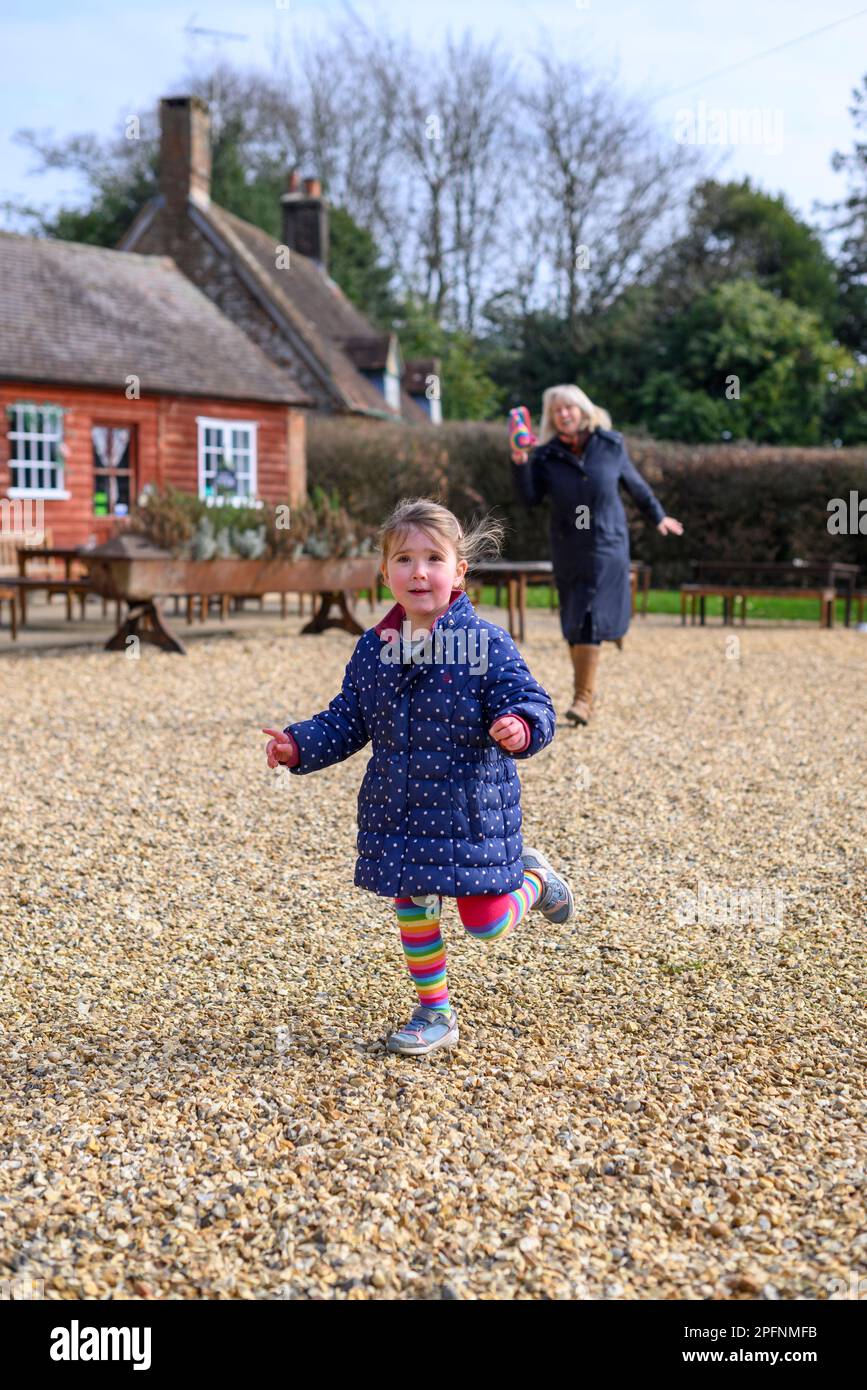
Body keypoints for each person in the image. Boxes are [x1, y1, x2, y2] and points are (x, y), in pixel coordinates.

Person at [262, 497, 575, 1057]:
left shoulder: (485, 644)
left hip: (470, 810)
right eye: (404, 559)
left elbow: (532, 701)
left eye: (434, 558)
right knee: (414, 907)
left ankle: (538, 881)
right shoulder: (374, 649)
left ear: (459, 571)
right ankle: (435, 1012)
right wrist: (298, 745)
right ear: (386, 574)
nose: (419, 571)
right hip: (400, 810)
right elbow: (347, 718)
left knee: (487, 926)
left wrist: (521, 726)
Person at [511, 384, 683, 725]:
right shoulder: (545, 456)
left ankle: (582, 699)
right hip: (568, 546)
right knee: (574, 621)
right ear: (551, 418)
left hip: (607, 544)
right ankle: (585, 691)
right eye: (557, 410)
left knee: (590, 614)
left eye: (569, 408)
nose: (564, 414)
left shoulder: (610, 445)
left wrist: (659, 516)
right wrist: (519, 462)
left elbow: (636, 486)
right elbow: (529, 499)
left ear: (583, 410)